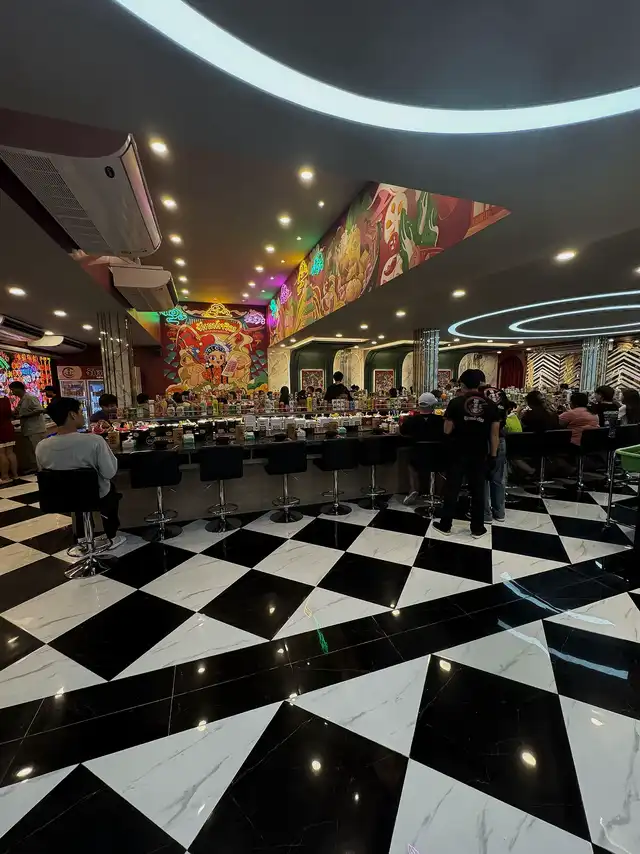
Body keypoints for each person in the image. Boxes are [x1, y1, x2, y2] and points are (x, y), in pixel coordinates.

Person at [36, 397, 123, 546]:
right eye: (80, 412)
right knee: (106, 490)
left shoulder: (42, 446)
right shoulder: (94, 441)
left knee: (76, 494)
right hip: (95, 496)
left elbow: (44, 472)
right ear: (72, 414)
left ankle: (82, 537)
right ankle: (112, 535)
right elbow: (109, 472)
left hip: (60, 497)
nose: (82, 415)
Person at [433, 369, 500, 538]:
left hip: (458, 451)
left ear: (462, 384)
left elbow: (447, 429)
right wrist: (493, 456)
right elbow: (494, 435)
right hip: (479, 452)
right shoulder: (491, 405)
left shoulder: (455, 403)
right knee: (478, 490)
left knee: (452, 488)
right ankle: (477, 528)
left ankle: (446, 525)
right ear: (480, 384)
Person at [400, 392, 444, 504]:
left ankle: (413, 489)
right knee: (440, 469)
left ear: (419, 405)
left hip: (418, 456)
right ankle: (440, 492)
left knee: (411, 465)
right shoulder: (441, 420)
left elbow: (402, 432)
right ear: (433, 406)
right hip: (438, 456)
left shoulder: (410, 420)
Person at [9, 381, 47, 467]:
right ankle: (37, 469)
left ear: (19, 389)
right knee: (33, 452)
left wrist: (24, 416)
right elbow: (16, 412)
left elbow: (39, 410)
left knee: (39, 452)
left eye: (13, 390)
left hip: (36, 430)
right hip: (28, 430)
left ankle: (43, 469)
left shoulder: (30, 397)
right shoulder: (22, 400)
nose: (12, 392)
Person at [0, 396, 18, 482]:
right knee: (10, 452)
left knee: (1, 453)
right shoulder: (5, 399)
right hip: (8, 427)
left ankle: (5, 476)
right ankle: (15, 475)